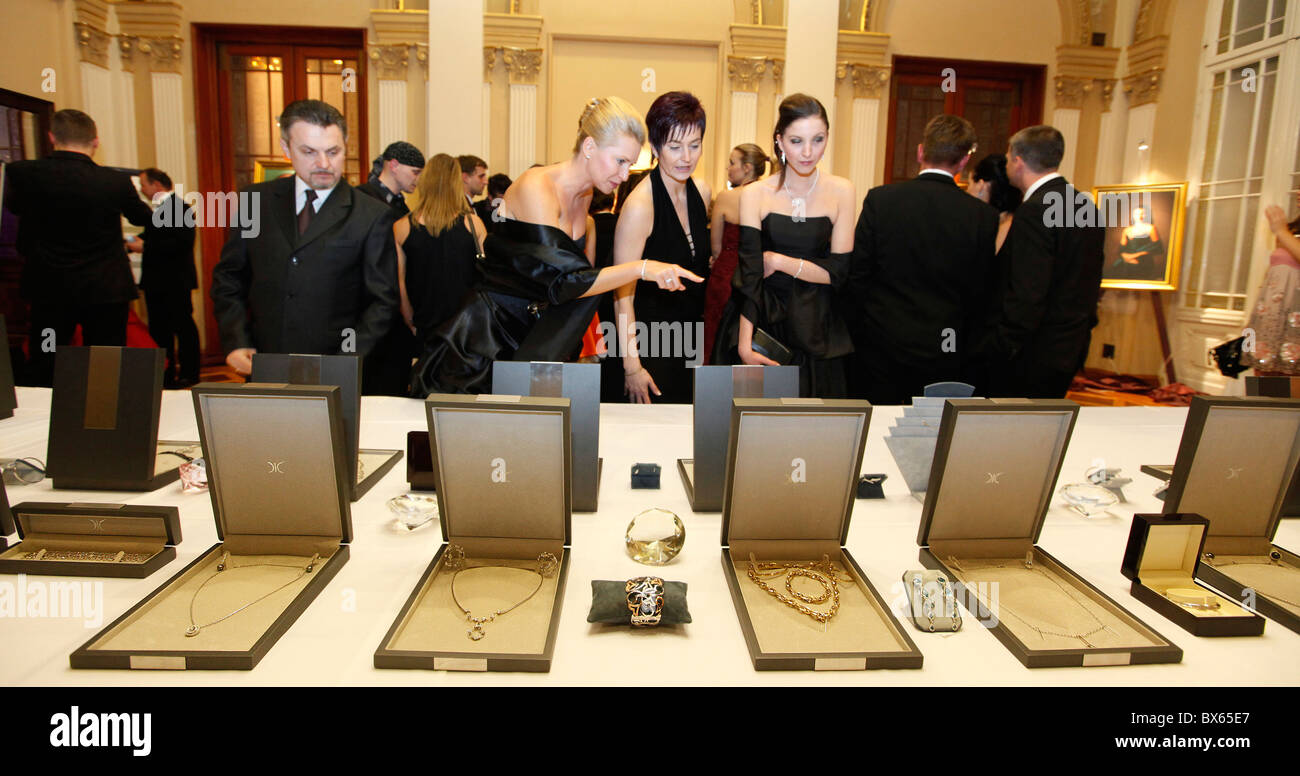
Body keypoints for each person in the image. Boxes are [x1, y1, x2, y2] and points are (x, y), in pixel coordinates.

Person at [409, 96, 702, 396]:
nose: (625, 174)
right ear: (589, 147)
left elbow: (576, 284)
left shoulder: (586, 196)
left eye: (630, 164)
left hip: (538, 340)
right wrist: (641, 269)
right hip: (487, 340)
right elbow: (563, 282)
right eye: (620, 161)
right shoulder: (537, 187)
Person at [210, 99, 399, 376]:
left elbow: (382, 302)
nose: (324, 163)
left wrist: (346, 361)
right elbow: (229, 277)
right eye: (309, 152)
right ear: (286, 148)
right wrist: (236, 340)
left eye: (333, 152)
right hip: (265, 362)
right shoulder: (255, 201)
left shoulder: (372, 214)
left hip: (337, 369)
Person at [712, 94, 857, 398]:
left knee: (816, 433)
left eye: (818, 140)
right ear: (779, 141)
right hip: (764, 321)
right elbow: (750, 274)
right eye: (796, 141)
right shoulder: (755, 193)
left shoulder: (842, 191)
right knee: (755, 432)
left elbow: (839, 273)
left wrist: (779, 261)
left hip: (818, 325)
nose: (808, 152)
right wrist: (743, 343)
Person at [846, 115, 997, 405]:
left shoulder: (881, 200)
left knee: (878, 433)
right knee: (933, 437)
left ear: (920, 152)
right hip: (945, 351)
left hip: (882, 347)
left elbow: (858, 275)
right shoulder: (981, 216)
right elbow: (981, 293)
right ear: (964, 161)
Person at [4, 109, 153, 386]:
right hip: (105, 288)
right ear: (96, 141)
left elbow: (14, 208)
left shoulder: (21, 173)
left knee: (47, 359)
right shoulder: (114, 181)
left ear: (51, 137)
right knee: (107, 363)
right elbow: (144, 218)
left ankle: (46, 422)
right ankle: (106, 423)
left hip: (49, 287)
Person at [979, 124, 1105, 398]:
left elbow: (1028, 290)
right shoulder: (1086, 206)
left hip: (1031, 352)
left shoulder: (1035, 210)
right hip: (1070, 346)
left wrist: (1002, 345)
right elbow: (1090, 281)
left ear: (1018, 161)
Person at [613, 91, 712, 403]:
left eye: (694, 145)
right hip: (649, 345)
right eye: (675, 146)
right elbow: (621, 295)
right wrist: (632, 367)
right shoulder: (640, 205)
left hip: (689, 340)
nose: (686, 157)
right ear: (655, 147)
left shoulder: (703, 191)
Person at [396, 154, 486, 348]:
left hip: (423, 324)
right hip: (466, 327)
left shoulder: (402, 227)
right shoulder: (474, 224)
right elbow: (485, 278)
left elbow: (400, 283)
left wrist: (410, 319)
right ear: (456, 183)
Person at [127, 168, 199, 388]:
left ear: (157, 185)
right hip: (158, 281)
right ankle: (166, 374)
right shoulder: (159, 210)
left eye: (144, 184)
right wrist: (130, 241)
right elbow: (150, 236)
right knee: (160, 330)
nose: (142, 189)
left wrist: (145, 246)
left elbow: (180, 244)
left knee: (182, 327)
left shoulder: (180, 208)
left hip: (174, 281)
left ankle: (189, 373)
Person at [704, 143, 770, 364]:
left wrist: (716, 258)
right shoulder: (772, 196)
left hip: (727, 273)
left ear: (747, 168)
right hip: (760, 273)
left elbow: (715, 246)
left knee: (716, 331)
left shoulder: (726, 197)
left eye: (732, 163)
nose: (728, 168)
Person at [1241, 192, 1300, 374]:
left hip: (1295, 314)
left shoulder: (1283, 230)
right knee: (1264, 372)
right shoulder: (1290, 229)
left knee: (1291, 377)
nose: (1298, 193)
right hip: (1273, 311)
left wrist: (1280, 231)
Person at [967, 152, 1020, 253]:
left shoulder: (993, 229)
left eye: (970, 183)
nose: (968, 191)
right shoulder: (1018, 223)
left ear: (982, 186)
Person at [358, 141, 424, 216]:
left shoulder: (400, 204)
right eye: (415, 172)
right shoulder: (362, 198)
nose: (419, 179)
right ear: (394, 166)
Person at [1111, 205, 1165, 280]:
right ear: (1133, 215)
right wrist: (1126, 257)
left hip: (1144, 261)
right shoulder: (1127, 230)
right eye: (1137, 214)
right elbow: (1121, 249)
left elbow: (1157, 247)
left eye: (1142, 213)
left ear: (1146, 215)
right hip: (1128, 261)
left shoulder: (1151, 228)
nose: (1140, 216)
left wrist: (1135, 255)